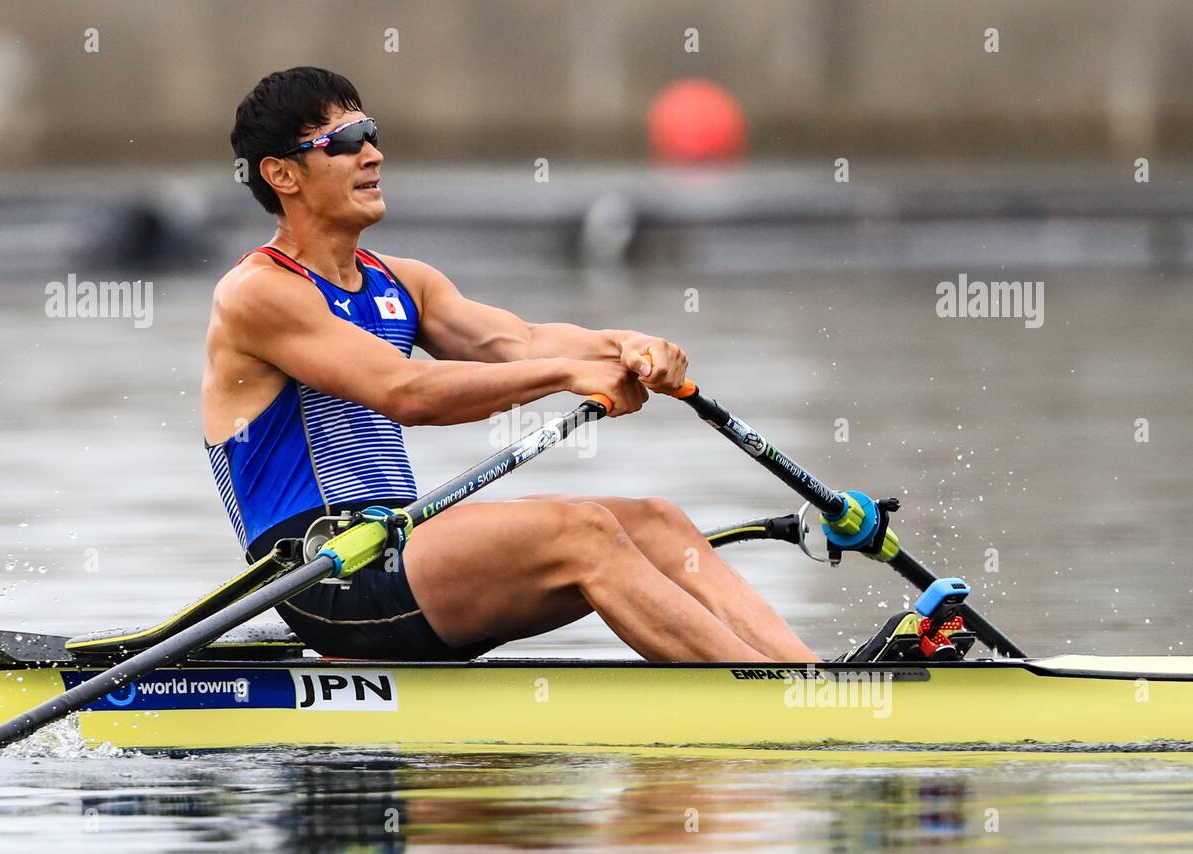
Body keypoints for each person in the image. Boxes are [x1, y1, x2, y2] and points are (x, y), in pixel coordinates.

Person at [204, 66, 817, 664]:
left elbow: (519, 342)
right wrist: (567, 376)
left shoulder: (404, 281)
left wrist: (629, 346)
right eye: (343, 142)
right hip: (326, 576)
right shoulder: (258, 293)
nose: (372, 155)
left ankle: (807, 675)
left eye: (372, 134)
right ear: (281, 173)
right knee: (583, 531)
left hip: (402, 547)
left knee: (659, 522)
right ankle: (768, 697)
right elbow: (407, 392)